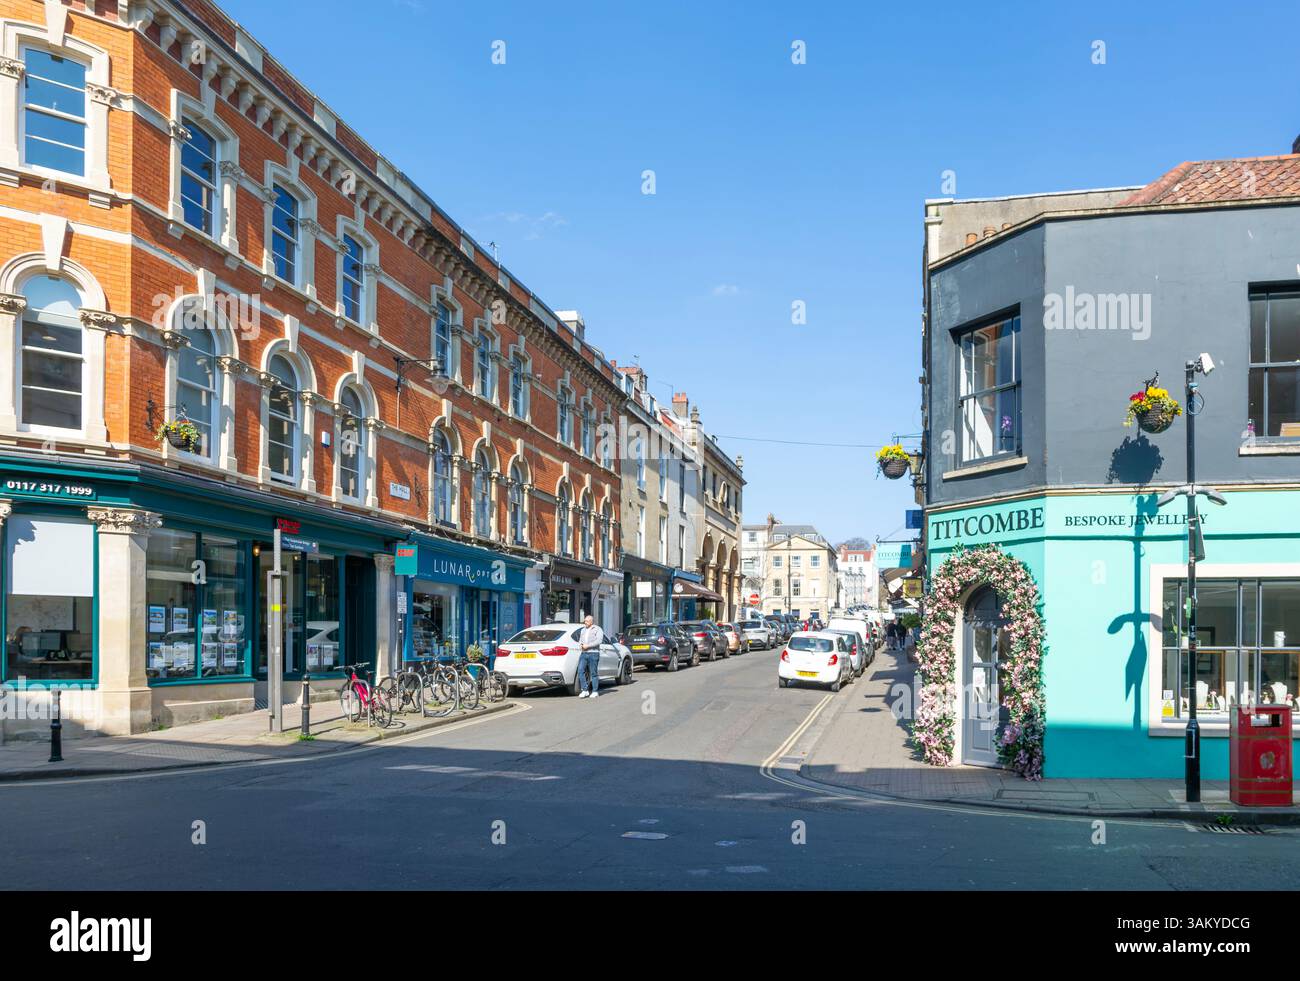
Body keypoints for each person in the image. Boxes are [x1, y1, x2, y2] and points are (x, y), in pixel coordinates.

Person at [577, 614, 604, 699]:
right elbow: (580, 640)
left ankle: (595, 691)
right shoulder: (583, 630)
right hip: (584, 653)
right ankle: (585, 690)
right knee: (580, 670)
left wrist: (588, 646)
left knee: (593, 673)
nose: (585, 622)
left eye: (587, 621)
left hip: (593, 653)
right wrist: (580, 645)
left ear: (591, 622)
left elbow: (599, 641)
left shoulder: (598, 629)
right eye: (585, 621)